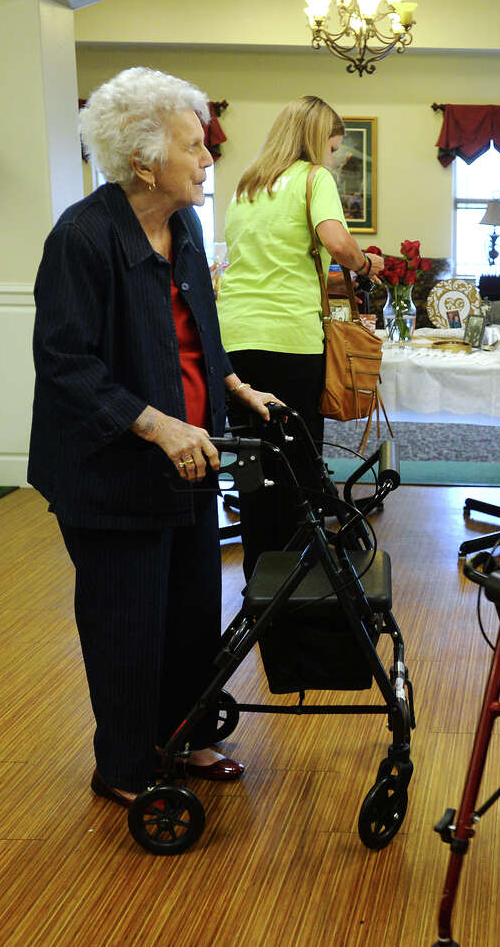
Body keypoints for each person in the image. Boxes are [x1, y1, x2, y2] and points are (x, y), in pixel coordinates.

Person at [29, 67, 280, 806]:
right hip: (111, 475)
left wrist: (231, 385)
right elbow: (66, 364)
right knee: (127, 624)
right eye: (194, 146)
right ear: (143, 161)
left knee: (193, 608)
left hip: (188, 461)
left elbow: (196, 328)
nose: (208, 160)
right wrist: (157, 422)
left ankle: (189, 737)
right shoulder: (82, 238)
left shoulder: (187, 226)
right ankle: (128, 766)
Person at [218, 96, 384, 580]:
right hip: (289, 339)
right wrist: (364, 263)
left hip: (235, 337)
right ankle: (297, 568)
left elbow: (264, 262)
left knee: (253, 456)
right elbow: (336, 241)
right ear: (317, 142)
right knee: (298, 455)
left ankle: (258, 564)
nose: (333, 158)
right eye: (333, 147)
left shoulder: (246, 186)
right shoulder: (315, 178)